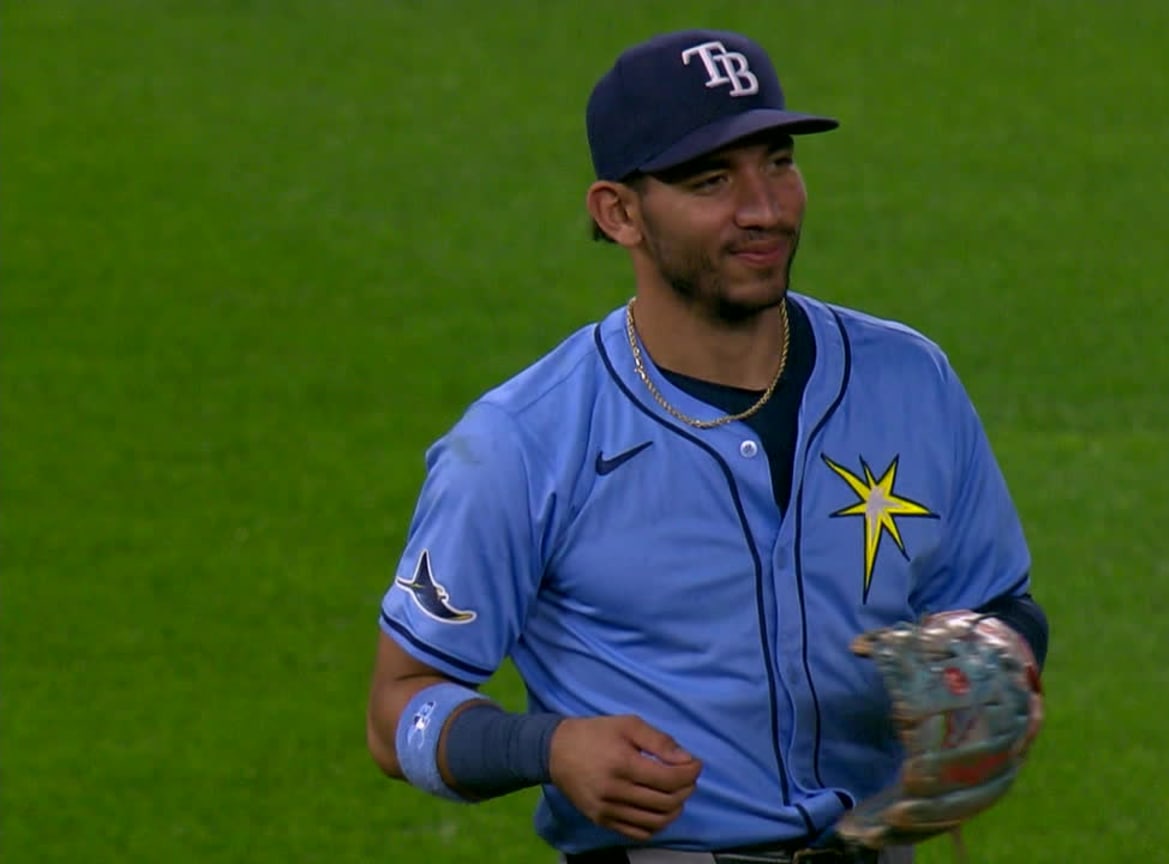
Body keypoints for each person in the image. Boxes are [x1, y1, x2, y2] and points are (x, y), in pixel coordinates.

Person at [366, 28, 1049, 864]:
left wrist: (1001, 658)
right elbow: (398, 706)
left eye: (779, 161)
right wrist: (547, 749)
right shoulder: (524, 442)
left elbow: (995, 598)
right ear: (618, 212)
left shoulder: (910, 379)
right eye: (712, 180)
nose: (763, 207)